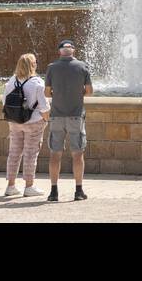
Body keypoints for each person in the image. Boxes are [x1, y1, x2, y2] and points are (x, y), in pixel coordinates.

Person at [44, 39, 92, 202]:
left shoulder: (51, 68)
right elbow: (89, 91)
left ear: (59, 52)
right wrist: (77, 95)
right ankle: (78, 191)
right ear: (73, 51)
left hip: (56, 115)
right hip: (76, 115)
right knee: (77, 154)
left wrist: (58, 95)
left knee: (55, 154)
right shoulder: (82, 66)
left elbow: (47, 93)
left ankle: (53, 192)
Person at [2, 52, 50, 198]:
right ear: (32, 65)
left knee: (14, 153)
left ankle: (10, 186)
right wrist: (46, 121)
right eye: (35, 62)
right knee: (30, 153)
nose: (36, 64)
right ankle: (29, 186)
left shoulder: (11, 81)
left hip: (14, 122)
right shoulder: (37, 83)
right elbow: (44, 107)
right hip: (33, 123)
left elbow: (4, 102)